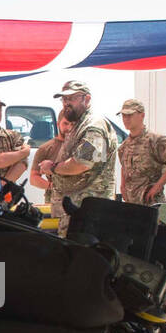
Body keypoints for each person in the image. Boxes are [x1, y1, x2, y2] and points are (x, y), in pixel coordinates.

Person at [48, 80, 117, 236]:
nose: (66, 103)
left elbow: (81, 163)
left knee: (84, 258)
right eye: (64, 99)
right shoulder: (79, 124)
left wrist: (53, 167)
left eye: (71, 98)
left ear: (87, 99)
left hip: (89, 213)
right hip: (77, 210)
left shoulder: (94, 126)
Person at [116, 98, 166, 205]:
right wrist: (122, 186)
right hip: (131, 205)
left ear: (142, 115)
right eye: (123, 115)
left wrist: (158, 186)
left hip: (150, 204)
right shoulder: (124, 146)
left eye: (130, 115)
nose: (126, 119)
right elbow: (124, 167)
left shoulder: (157, 140)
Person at [29, 112, 73, 207]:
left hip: (78, 198)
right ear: (58, 124)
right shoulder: (45, 148)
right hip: (55, 200)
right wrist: (51, 186)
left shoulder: (81, 146)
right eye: (65, 123)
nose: (69, 128)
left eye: (72, 124)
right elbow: (33, 178)